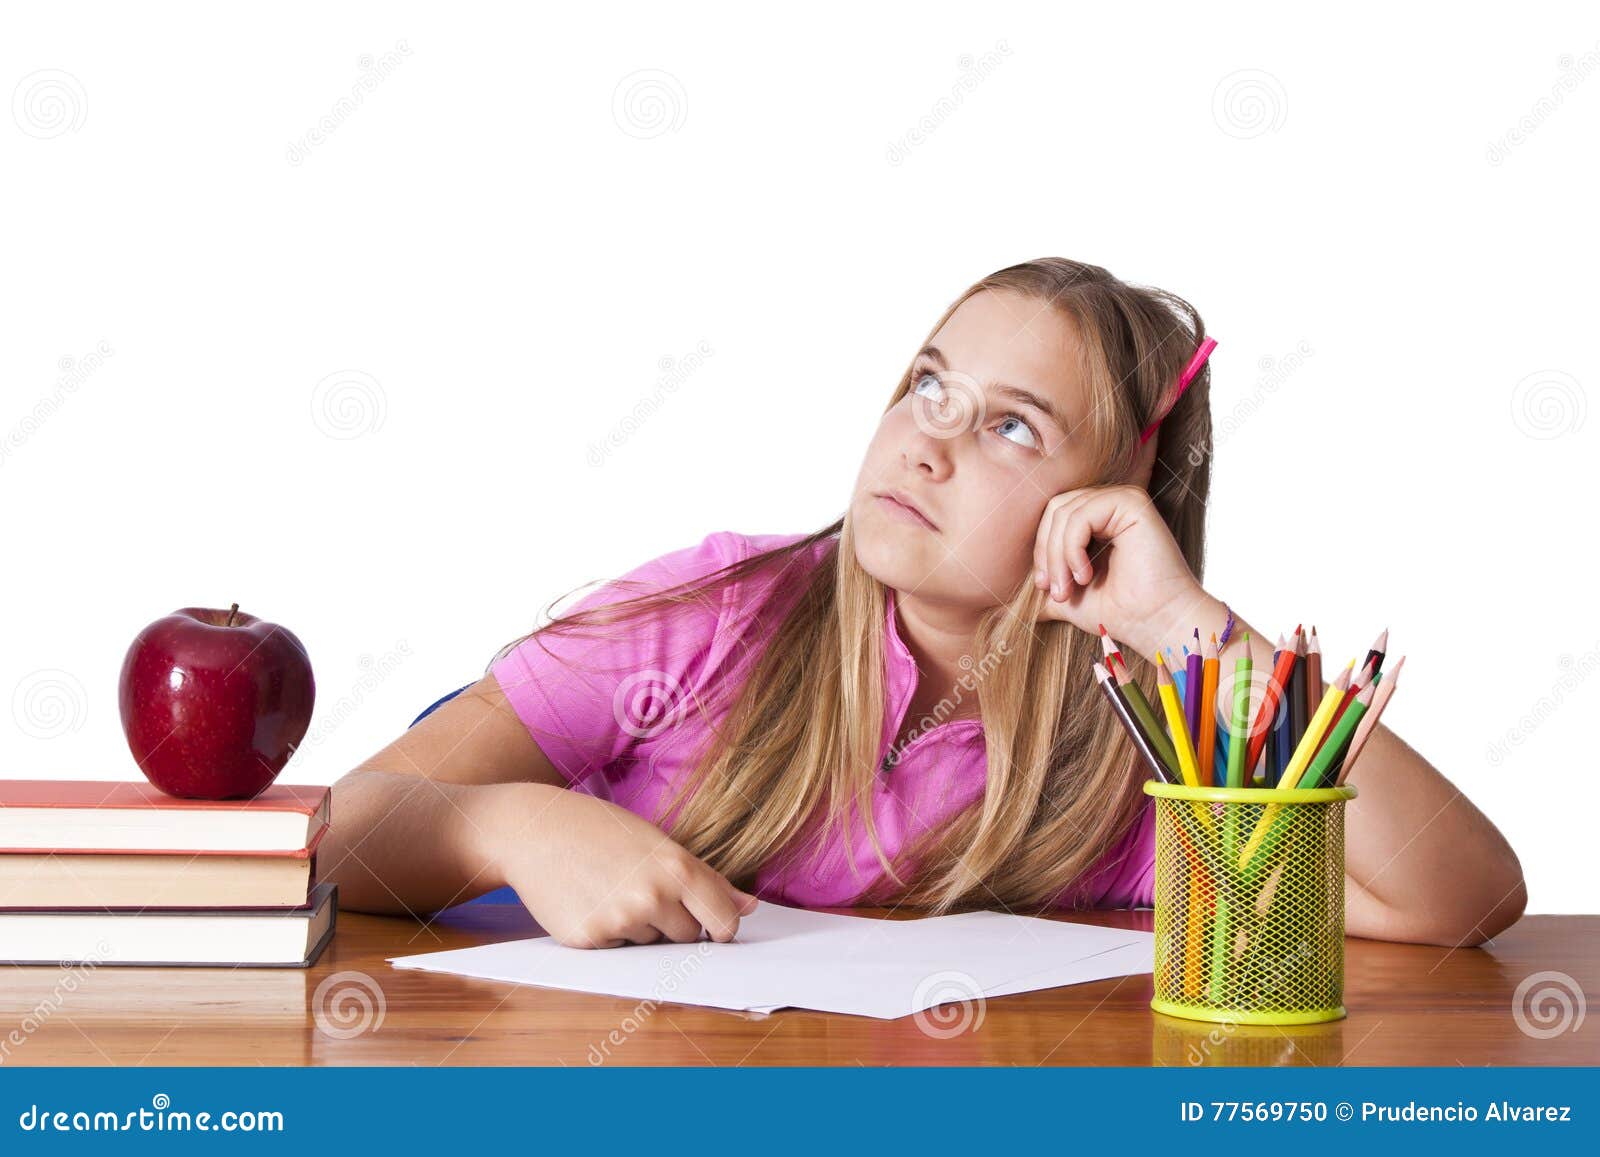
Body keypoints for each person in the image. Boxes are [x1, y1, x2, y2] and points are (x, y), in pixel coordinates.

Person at [322, 257, 1525, 950]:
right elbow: (334, 828)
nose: (928, 443)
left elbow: (1455, 893)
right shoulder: (711, 613)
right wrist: (506, 825)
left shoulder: (1121, 760)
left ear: (1110, 505)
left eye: (1010, 425)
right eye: (927, 387)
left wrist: (1185, 627)